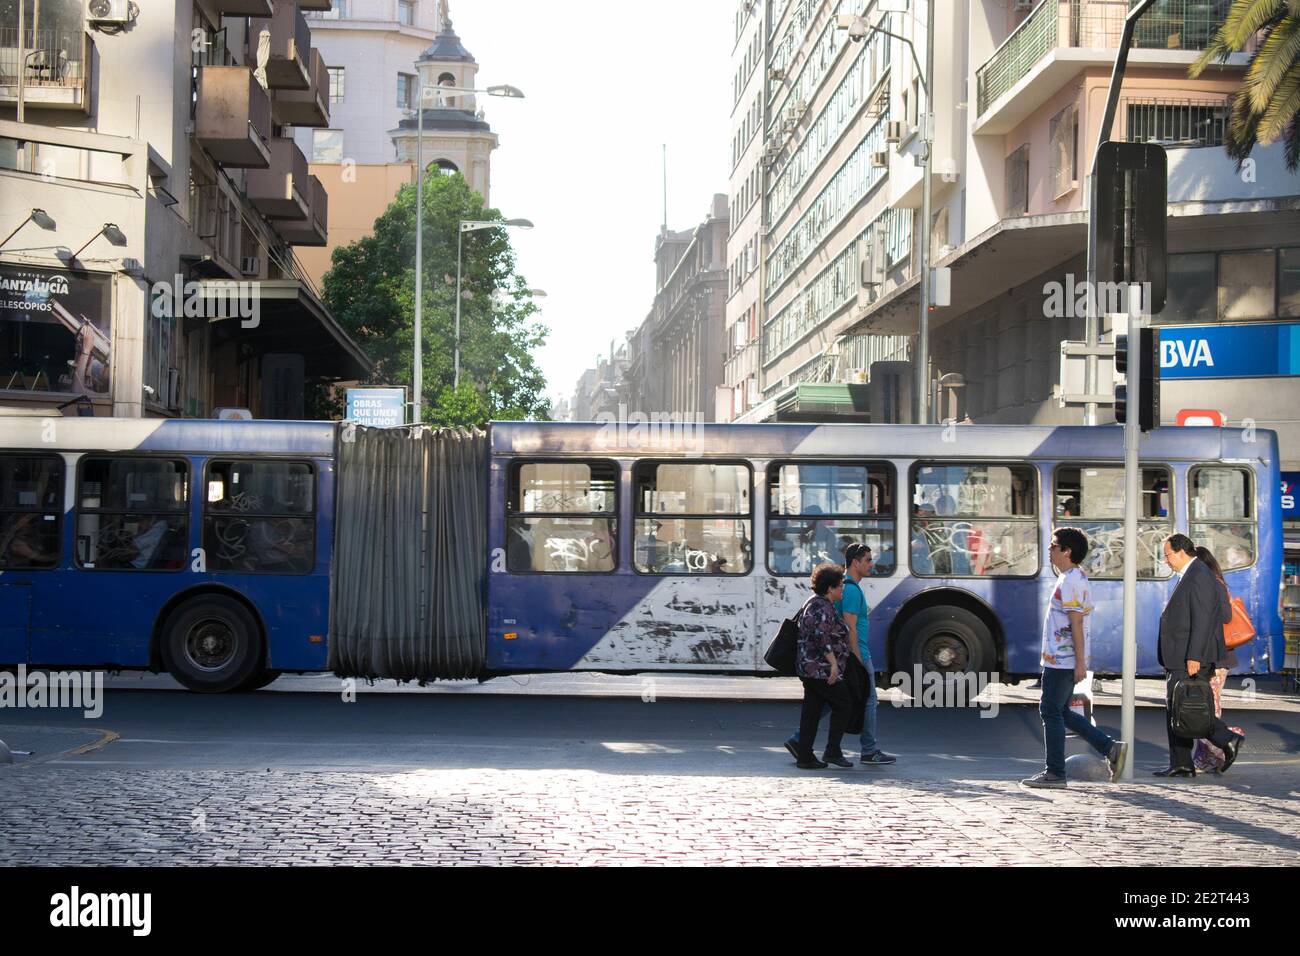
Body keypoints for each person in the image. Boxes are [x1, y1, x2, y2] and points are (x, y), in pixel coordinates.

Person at [1022, 527, 1129, 788]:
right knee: (1061, 711)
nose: (1050, 550)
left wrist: (1080, 662)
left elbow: (1076, 623)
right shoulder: (1076, 577)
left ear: (1066, 551)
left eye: (1054, 546)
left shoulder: (1070, 581)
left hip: (1062, 660)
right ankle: (1110, 749)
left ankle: (1055, 773)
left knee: (1050, 711)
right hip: (1064, 658)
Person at [785, 544, 896, 766]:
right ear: (855, 562)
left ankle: (803, 748)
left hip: (814, 667)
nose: (871, 564)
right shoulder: (839, 598)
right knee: (856, 701)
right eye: (868, 560)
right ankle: (855, 750)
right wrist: (850, 660)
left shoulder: (822, 601)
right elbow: (839, 631)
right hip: (830, 663)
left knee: (818, 706)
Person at [1154, 533, 1244, 777]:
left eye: (1167, 555)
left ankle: (1227, 738)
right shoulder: (1191, 575)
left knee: (1189, 708)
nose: (1166, 561)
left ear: (1182, 551)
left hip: (1190, 656)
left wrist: (1194, 656)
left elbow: (1203, 621)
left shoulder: (1200, 575)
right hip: (1180, 655)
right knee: (1177, 708)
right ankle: (1181, 763)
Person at [789, 563, 854, 770]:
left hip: (810, 668)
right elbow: (821, 638)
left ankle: (805, 756)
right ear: (830, 588)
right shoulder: (822, 607)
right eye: (840, 586)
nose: (842, 589)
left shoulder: (814, 603)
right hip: (820, 670)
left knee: (812, 711)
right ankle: (832, 750)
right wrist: (834, 665)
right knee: (844, 704)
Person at [1190, 546, 1246, 773]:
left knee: (1206, 710)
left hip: (1217, 658)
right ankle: (1209, 757)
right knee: (1204, 708)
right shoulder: (1211, 583)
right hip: (1213, 656)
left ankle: (1229, 738)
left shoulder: (1215, 584)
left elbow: (1225, 615)